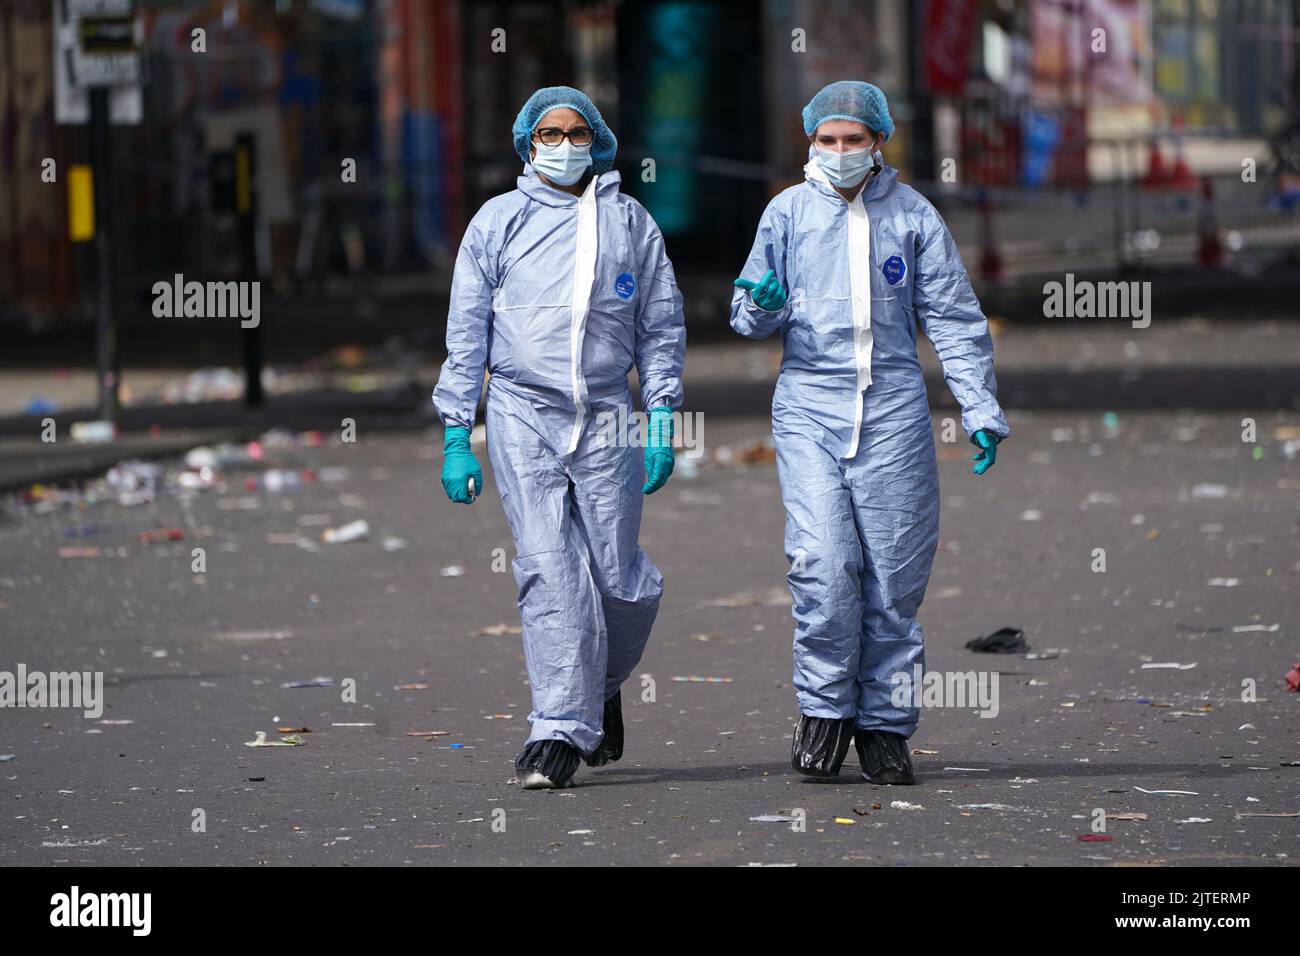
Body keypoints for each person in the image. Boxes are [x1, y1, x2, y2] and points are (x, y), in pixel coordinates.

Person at [730, 81, 1008, 784]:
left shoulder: (912, 217)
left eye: (855, 140)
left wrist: (977, 406)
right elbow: (746, 312)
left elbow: (950, 315)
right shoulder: (786, 214)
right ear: (810, 143)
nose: (841, 152)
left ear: (880, 142)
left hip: (893, 415)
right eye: (828, 140)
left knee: (894, 576)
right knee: (823, 566)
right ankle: (825, 710)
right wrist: (761, 305)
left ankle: (884, 724)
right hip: (809, 411)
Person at [433, 86, 686, 790]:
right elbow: (466, 335)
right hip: (521, 411)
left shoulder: (631, 224)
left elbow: (660, 327)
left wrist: (663, 413)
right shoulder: (496, 224)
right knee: (550, 570)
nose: (564, 144)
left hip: (607, 413)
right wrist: (458, 431)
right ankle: (556, 731)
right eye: (550, 133)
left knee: (616, 580)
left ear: (598, 142)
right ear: (527, 143)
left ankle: (599, 687)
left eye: (577, 132)